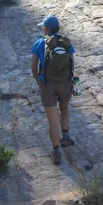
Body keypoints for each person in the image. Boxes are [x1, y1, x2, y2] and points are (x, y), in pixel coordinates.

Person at [31, 15, 75, 165]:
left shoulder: (39, 43)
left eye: (43, 26)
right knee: (64, 109)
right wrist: (70, 80)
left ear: (47, 29)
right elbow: (72, 63)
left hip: (47, 84)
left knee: (52, 119)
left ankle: (56, 152)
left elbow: (33, 68)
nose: (42, 28)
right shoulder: (66, 43)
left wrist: (40, 83)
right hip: (65, 83)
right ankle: (66, 136)